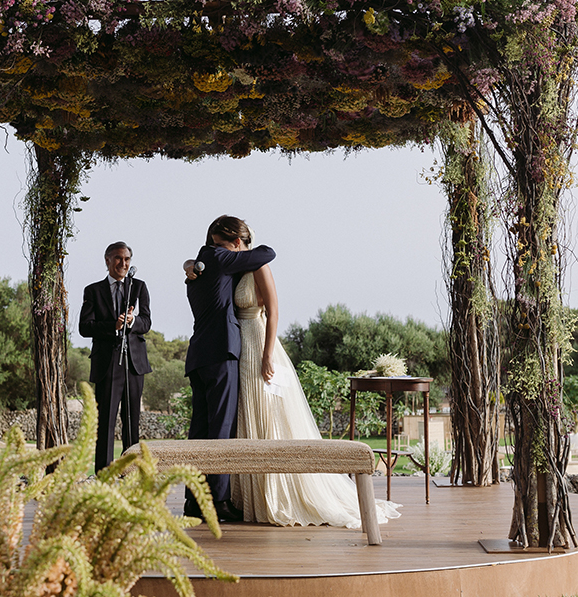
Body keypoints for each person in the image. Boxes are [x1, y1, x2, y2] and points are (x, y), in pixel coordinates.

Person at [187, 222, 401, 529]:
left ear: (235, 243)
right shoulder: (227, 267)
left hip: (256, 342)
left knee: (258, 415)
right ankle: (237, 496)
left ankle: (260, 494)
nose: (215, 247)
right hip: (234, 348)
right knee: (239, 420)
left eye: (219, 242)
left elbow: (273, 310)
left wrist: (267, 354)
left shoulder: (256, 263)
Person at [183, 215, 276, 521]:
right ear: (235, 242)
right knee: (221, 431)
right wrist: (239, 248)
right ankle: (219, 502)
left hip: (198, 355)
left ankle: (193, 501)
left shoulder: (197, 269)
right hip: (222, 354)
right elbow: (267, 253)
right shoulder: (219, 256)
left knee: (199, 432)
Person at [79, 241, 151, 474]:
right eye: (118, 258)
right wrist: (113, 326)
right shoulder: (93, 291)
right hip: (107, 364)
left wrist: (132, 322)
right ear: (107, 260)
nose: (123, 263)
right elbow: (85, 327)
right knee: (106, 423)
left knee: (132, 423)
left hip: (134, 364)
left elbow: (146, 323)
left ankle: (130, 472)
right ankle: (104, 474)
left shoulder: (139, 287)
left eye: (127, 259)